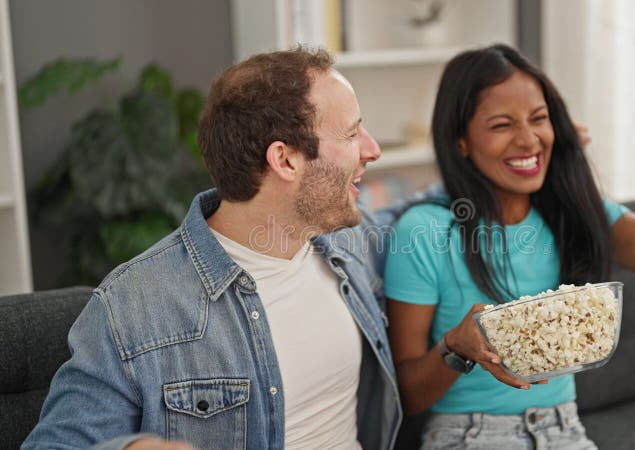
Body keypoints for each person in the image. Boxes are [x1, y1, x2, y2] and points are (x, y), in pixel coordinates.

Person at [23, 47, 402, 450]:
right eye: (350, 133)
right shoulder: (134, 307)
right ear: (286, 160)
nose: (372, 148)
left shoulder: (347, 245)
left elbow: (426, 212)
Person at [384, 44, 635, 449]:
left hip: (565, 431)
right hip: (469, 435)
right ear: (460, 141)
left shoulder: (577, 216)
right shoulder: (425, 231)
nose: (528, 139)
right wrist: (455, 347)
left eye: (539, 119)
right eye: (502, 125)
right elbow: (408, 396)